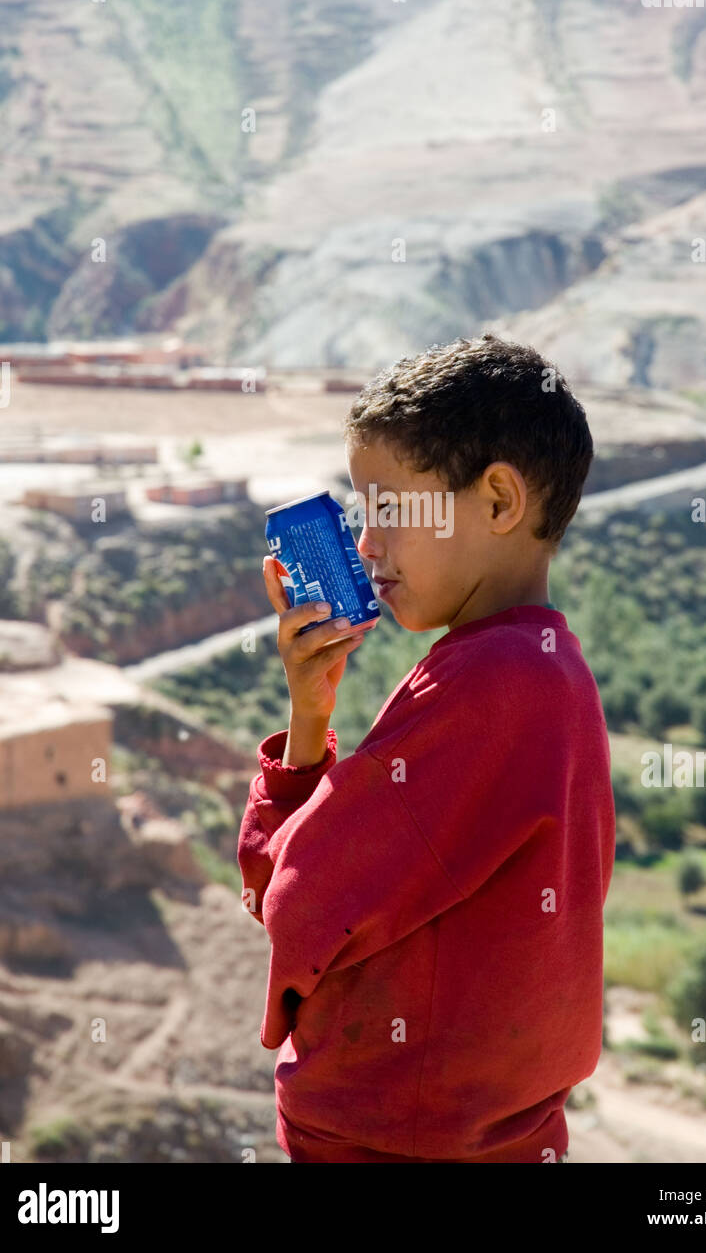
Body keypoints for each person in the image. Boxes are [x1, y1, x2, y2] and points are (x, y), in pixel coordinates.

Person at [237, 333, 615, 1163]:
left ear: (499, 500)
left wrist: (299, 780)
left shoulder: (488, 683)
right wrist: (311, 714)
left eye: (389, 511)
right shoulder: (550, 668)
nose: (367, 545)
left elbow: (292, 904)